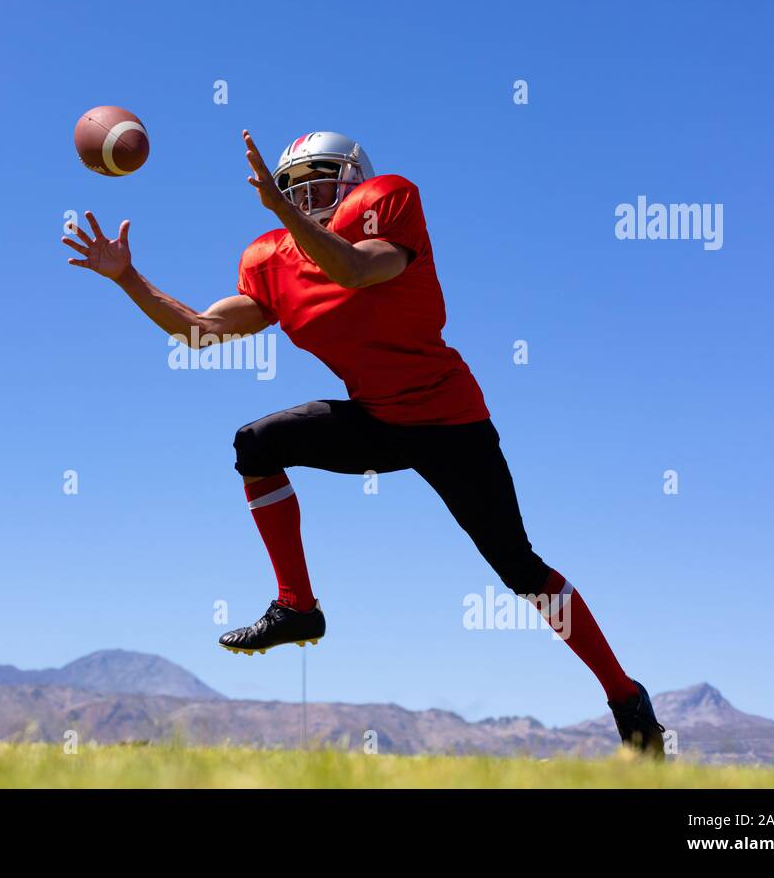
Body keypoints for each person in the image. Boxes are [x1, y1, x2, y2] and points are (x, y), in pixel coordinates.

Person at [62, 130, 666, 756]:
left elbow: (353, 269)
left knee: (520, 569)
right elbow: (200, 332)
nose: (305, 194)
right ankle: (297, 606)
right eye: (295, 185)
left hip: (451, 421)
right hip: (379, 420)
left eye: (319, 181)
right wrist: (128, 277)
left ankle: (627, 700)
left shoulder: (390, 205)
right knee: (256, 444)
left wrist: (287, 214)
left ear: (353, 181)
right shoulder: (272, 260)